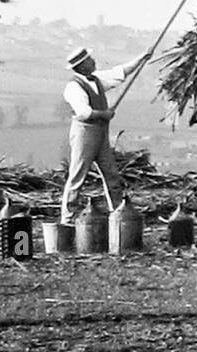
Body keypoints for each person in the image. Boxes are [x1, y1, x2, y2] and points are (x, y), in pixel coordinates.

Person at [59, 46, 149, 225]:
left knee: (112, 175)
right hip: (85, 133)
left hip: (101, 133)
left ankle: (118, 214)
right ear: (82, 66)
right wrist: (104, 114)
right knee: (78, 176)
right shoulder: (74, 87)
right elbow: (84, 113)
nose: (93, 61)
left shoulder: (97, 79)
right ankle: (68, 219)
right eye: (89, 60)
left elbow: (119, 73)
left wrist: (142, 58)